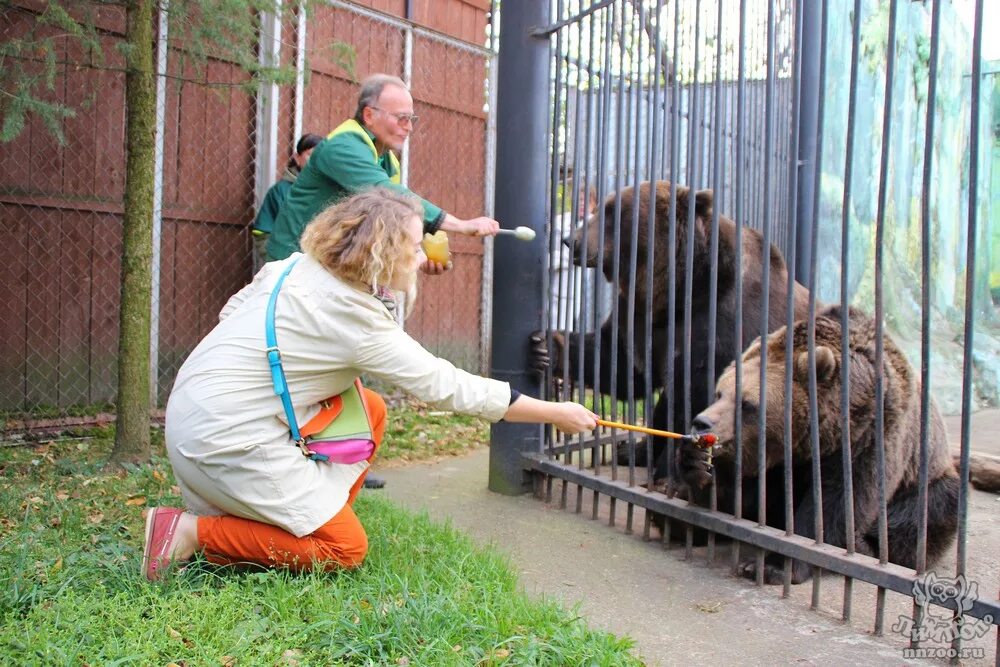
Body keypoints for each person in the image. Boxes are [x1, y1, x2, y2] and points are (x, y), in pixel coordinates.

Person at [142, 189, 598, 580]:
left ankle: (305, 516)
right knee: (343, 549)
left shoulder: (293, 267)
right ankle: (188, 533)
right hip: (224, 437)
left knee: (370, 409)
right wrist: (553, 412)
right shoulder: (356, 321)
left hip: (192, 408)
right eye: (414, 248)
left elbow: (231, 314)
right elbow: (446, 385)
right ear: (381, 253)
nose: (422, 256)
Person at [266, 73, 500, 270]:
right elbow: (388, 195)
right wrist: (460, 225)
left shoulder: (387, 161)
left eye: (411, 119)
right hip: (295, 263)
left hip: (333, 264)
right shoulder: (342, 148)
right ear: (369, 115)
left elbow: (388, 218)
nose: (409, 127)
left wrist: (417, 254)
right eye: (401, 118)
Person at [251, 133, 324, 272]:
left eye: (321, 156)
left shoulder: (331, 190)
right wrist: (278, 259)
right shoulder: (280, 191)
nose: (316, 160)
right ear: (297, 157)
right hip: (285, 266)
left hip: (320, 267)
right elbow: (261, 232)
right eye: (310, 155)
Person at [550, 184, 598, 331]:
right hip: (554, 281)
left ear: (594, 203)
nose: (582, 204)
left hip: (576, 285)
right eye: (580, 200)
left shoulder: (594, 224)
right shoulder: (560, 220)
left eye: (587, 200)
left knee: (565, 325)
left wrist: (558, 259)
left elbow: (585, 255)